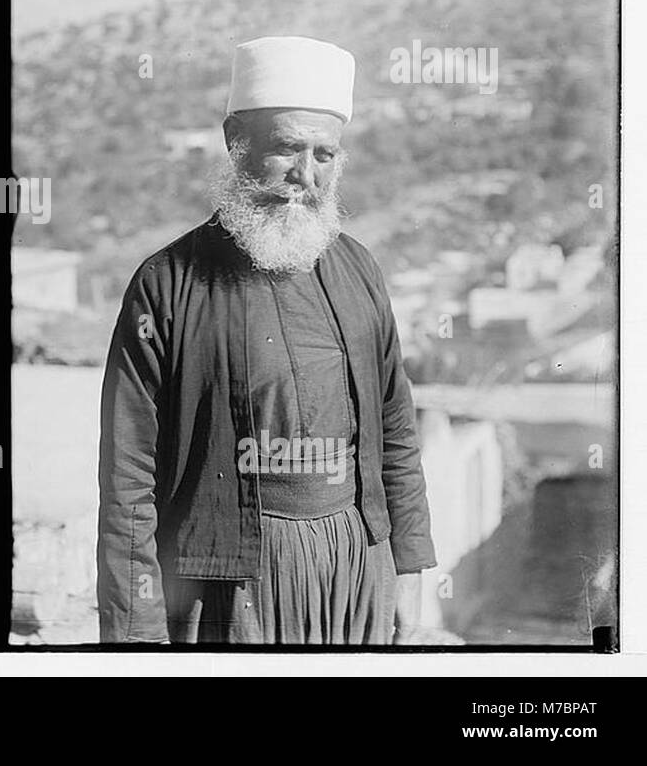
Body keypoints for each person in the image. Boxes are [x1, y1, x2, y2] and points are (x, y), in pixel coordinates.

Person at [97, 35, 438, 644]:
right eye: (285, 148)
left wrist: (407, 568)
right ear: (236, 141)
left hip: (359, 564)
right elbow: (129, 485)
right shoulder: (167, 285)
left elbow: (396, 431)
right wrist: (135, 641)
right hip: (230, 585)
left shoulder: (360, 270)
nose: (304, 176)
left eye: (324, 155)